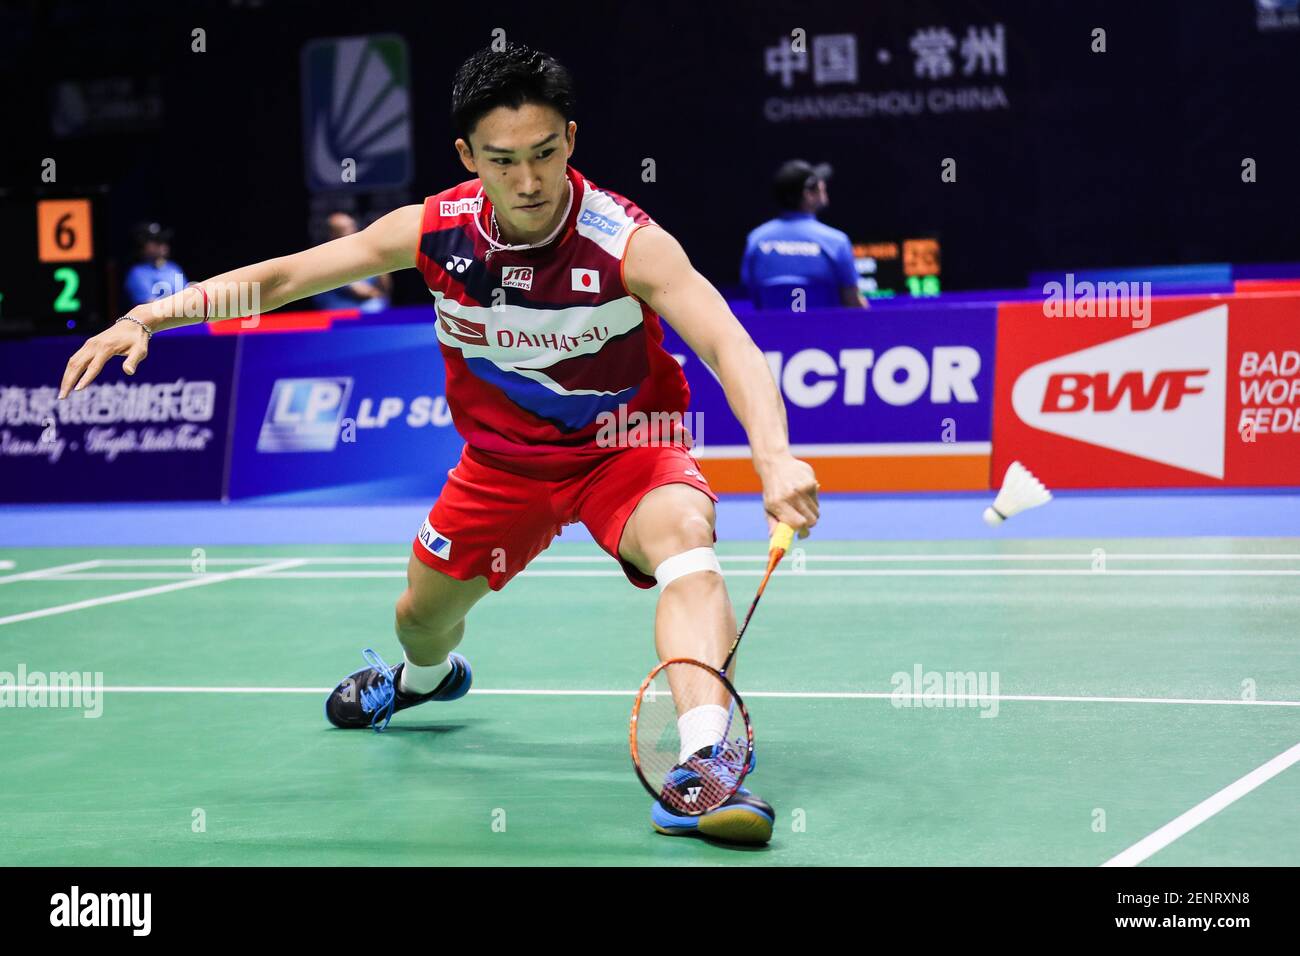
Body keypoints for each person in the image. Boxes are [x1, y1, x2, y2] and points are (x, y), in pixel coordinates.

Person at [57, 43, 819, 846]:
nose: (528, 182)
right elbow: (283, 280)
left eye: (544, 154)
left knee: (687, 546)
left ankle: (703, 765)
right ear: (466, 157)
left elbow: (729, 344)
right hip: (499, 467)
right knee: (419, 617)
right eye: (502, 160)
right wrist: (149, 316)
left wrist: (773, 455)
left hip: (627, 449)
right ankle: (423, 682)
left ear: (571, 139)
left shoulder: (629, 242)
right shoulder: (433, 231)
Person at [741, 160, 866, 309]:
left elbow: (752, 294)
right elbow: (852, 303)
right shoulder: (836, 241)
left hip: (771, 332)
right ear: (808, 194)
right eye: (819, 183)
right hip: (825, 331)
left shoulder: (756, 240)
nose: (823, 184)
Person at [311, 212, 393, 312]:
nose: (352, 231)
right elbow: (361, 291)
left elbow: (385, 288)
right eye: (343, 229)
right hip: (336, 311)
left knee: (379, 305)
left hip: (365, 308)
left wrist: (383, 259)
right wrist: (376, 294)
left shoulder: (365, 252)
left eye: (352, 226)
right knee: (375, 306)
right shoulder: (325, 256)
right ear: (332, 233)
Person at [122, 221, 186, 308]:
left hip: (183, 318)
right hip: (158, 320)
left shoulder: (174, 267)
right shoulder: (137, 273)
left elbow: (187, 298)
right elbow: (152, 307)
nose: (162, 244)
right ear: (142, 246)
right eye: (157, 241)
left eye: (163, 240)